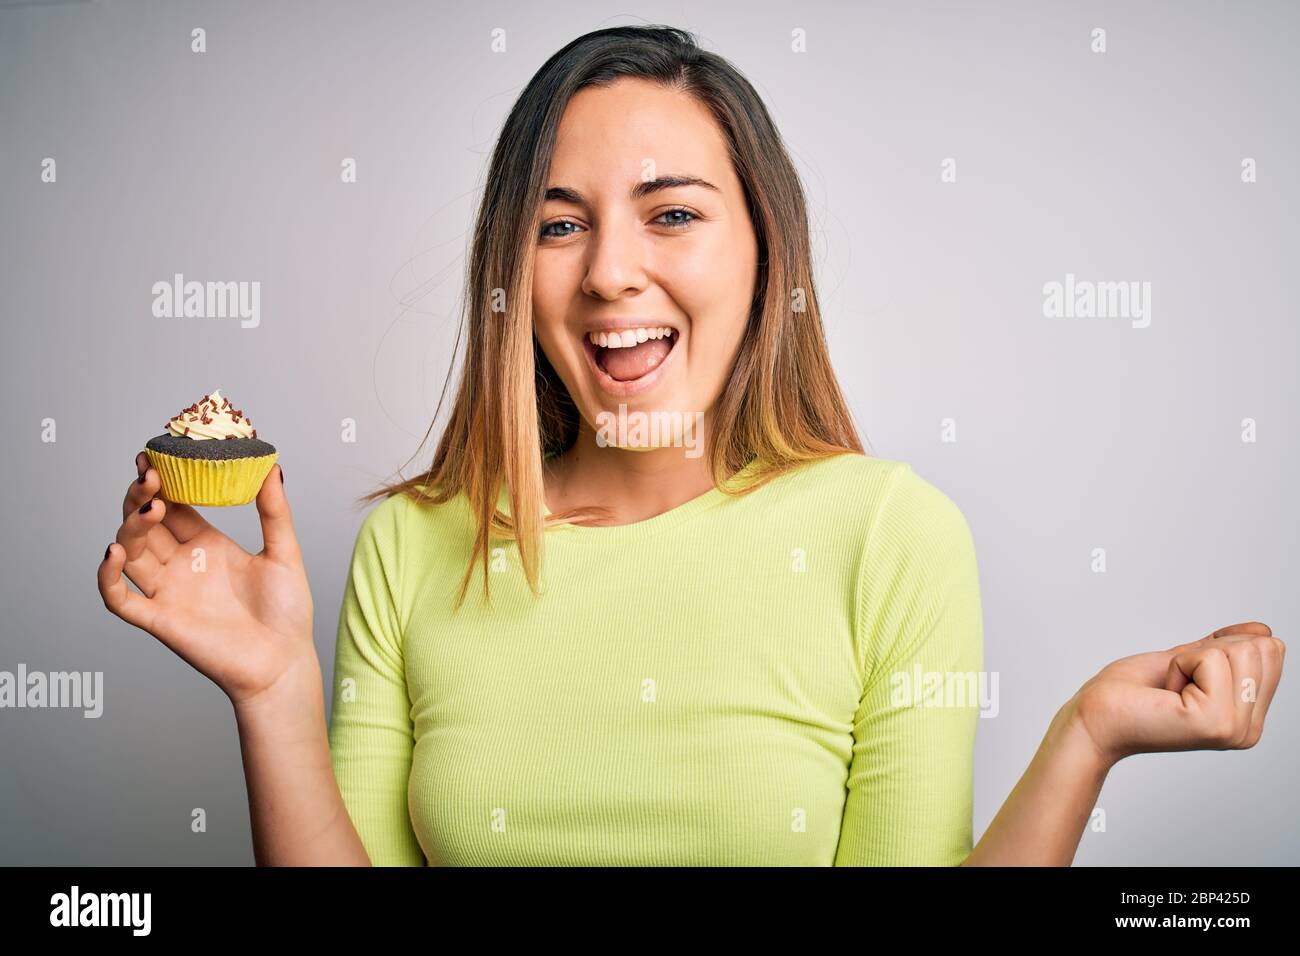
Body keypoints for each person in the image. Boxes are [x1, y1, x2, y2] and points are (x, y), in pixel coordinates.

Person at [97, 25, 1284, 866]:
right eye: (560, 225)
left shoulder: (887, 532)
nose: (612, 268)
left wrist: (1084, 735)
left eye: (671, 213)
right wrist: (275, 689)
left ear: (764, 248)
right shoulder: (415, 542)